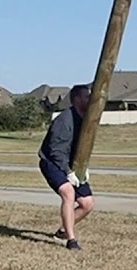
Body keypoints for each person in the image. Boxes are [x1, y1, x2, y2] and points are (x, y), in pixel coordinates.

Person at [38, 84, 95, 250]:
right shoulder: (64, 121)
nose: (90, 99)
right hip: (51, 162)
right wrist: (69, 172)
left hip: (72, 163)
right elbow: (56, 152)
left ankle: (62, 231)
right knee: (68, 193)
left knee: (87, 203)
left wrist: (83, 167)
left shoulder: (85, 119)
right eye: (86, 97)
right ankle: (71, 240)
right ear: (77, 99)